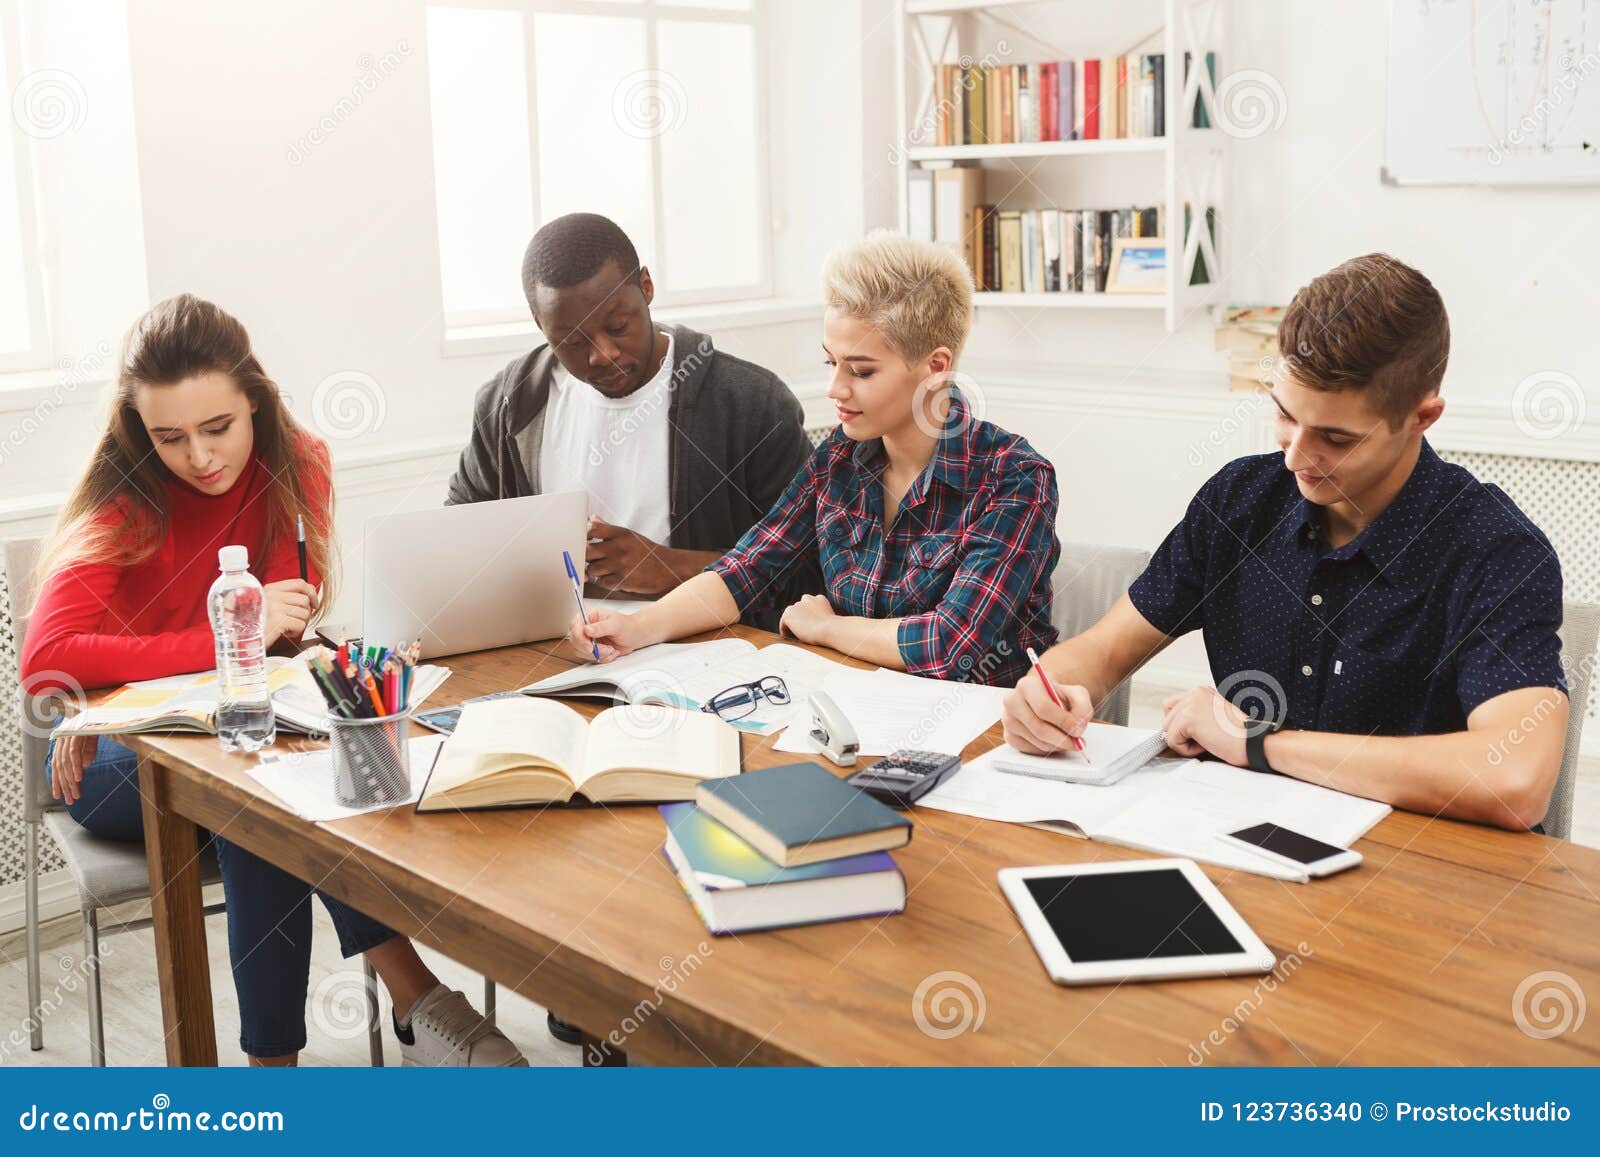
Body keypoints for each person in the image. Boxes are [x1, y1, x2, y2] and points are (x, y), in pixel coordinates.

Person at [20, 294, 524, 1066]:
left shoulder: (299, 461)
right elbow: (47, 654)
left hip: (236, 739)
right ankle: (416, 1000)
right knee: (257, 790)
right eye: (169, 437)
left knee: (263, 787)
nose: (199, 456)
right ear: (138, 431)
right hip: (116, 757)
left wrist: (340, 654)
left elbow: (282, 640)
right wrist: (190, 659)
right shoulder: (124, 502)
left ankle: (280, 1072)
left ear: (254, 399)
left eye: (217, 427)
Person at [1001, 253, 1567, 831]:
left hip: (1419, 878)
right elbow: (1103, 651)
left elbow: (1513, 781)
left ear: (1423, 417)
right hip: (1247, 848)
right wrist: (1050, 691)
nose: (1296, 455)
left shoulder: (1496, 550)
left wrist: (1261, 744)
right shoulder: (1241, 500)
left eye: (1336, 437)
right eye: (1284, 415)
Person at [567, 230, 1060, 687]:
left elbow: (950, 644)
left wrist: (826, 628)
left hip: (982, 735)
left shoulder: (1014, 479)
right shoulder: (838, 460)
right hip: (850, 707)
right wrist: (636, 628)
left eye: (861, 371)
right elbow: (747, 569)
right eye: (831, 362)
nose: (834, 388)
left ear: (934, 368)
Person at [447, 212, 815, 608]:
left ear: (646, 286)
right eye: (572, 341)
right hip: (555, 650)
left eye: (619, 326)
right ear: (541, 325)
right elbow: (458, 538)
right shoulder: (508, 404)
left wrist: (671, 568)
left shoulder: (752, 404)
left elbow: (808, 567)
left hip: (701, 651)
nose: (602, 355)